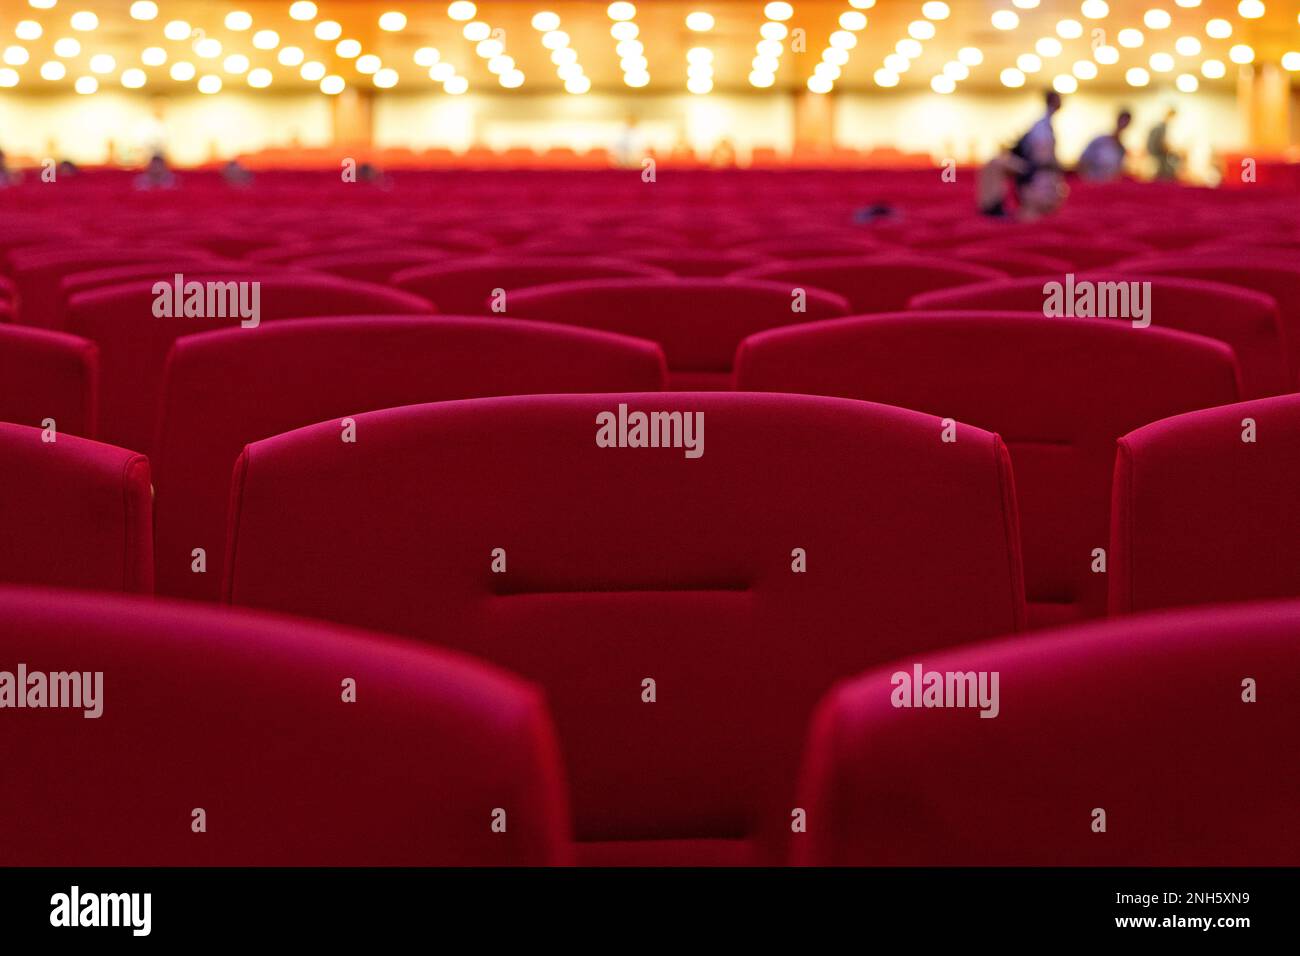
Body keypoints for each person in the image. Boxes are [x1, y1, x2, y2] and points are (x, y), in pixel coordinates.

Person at [1077, 109, 1132, 182]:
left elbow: (1117, 171)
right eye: (1122, 121)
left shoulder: (1121, 148)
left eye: (1126, 122)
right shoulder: (1100, 141)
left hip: (1109, 184)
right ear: (1118, 120)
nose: (1123, 124)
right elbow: (1083, 160)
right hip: (1092, 182)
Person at [1147, 108, 1181, 181]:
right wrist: (1174, 150)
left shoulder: (1161, 127)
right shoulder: (1161, 128)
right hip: (1157, 157)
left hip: (1157, 156)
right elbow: (1162, 144)